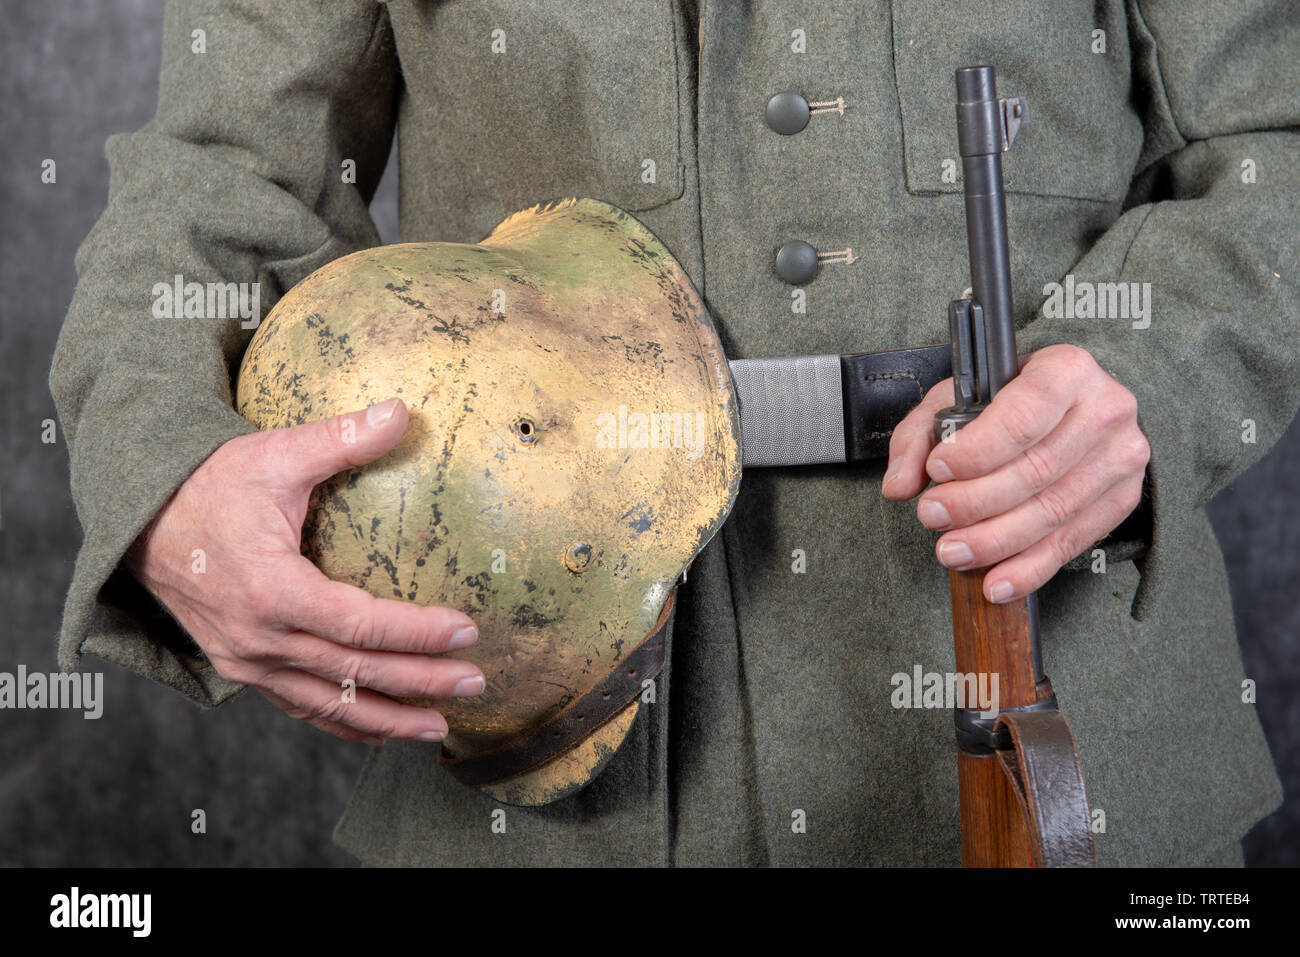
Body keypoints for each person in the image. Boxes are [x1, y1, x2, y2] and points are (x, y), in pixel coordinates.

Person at [51, 1, 1296, 866]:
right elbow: (216, 190)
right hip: (550, 771)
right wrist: (168, 480)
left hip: (1066, 735)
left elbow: (1272, 146)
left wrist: (1146, 378)